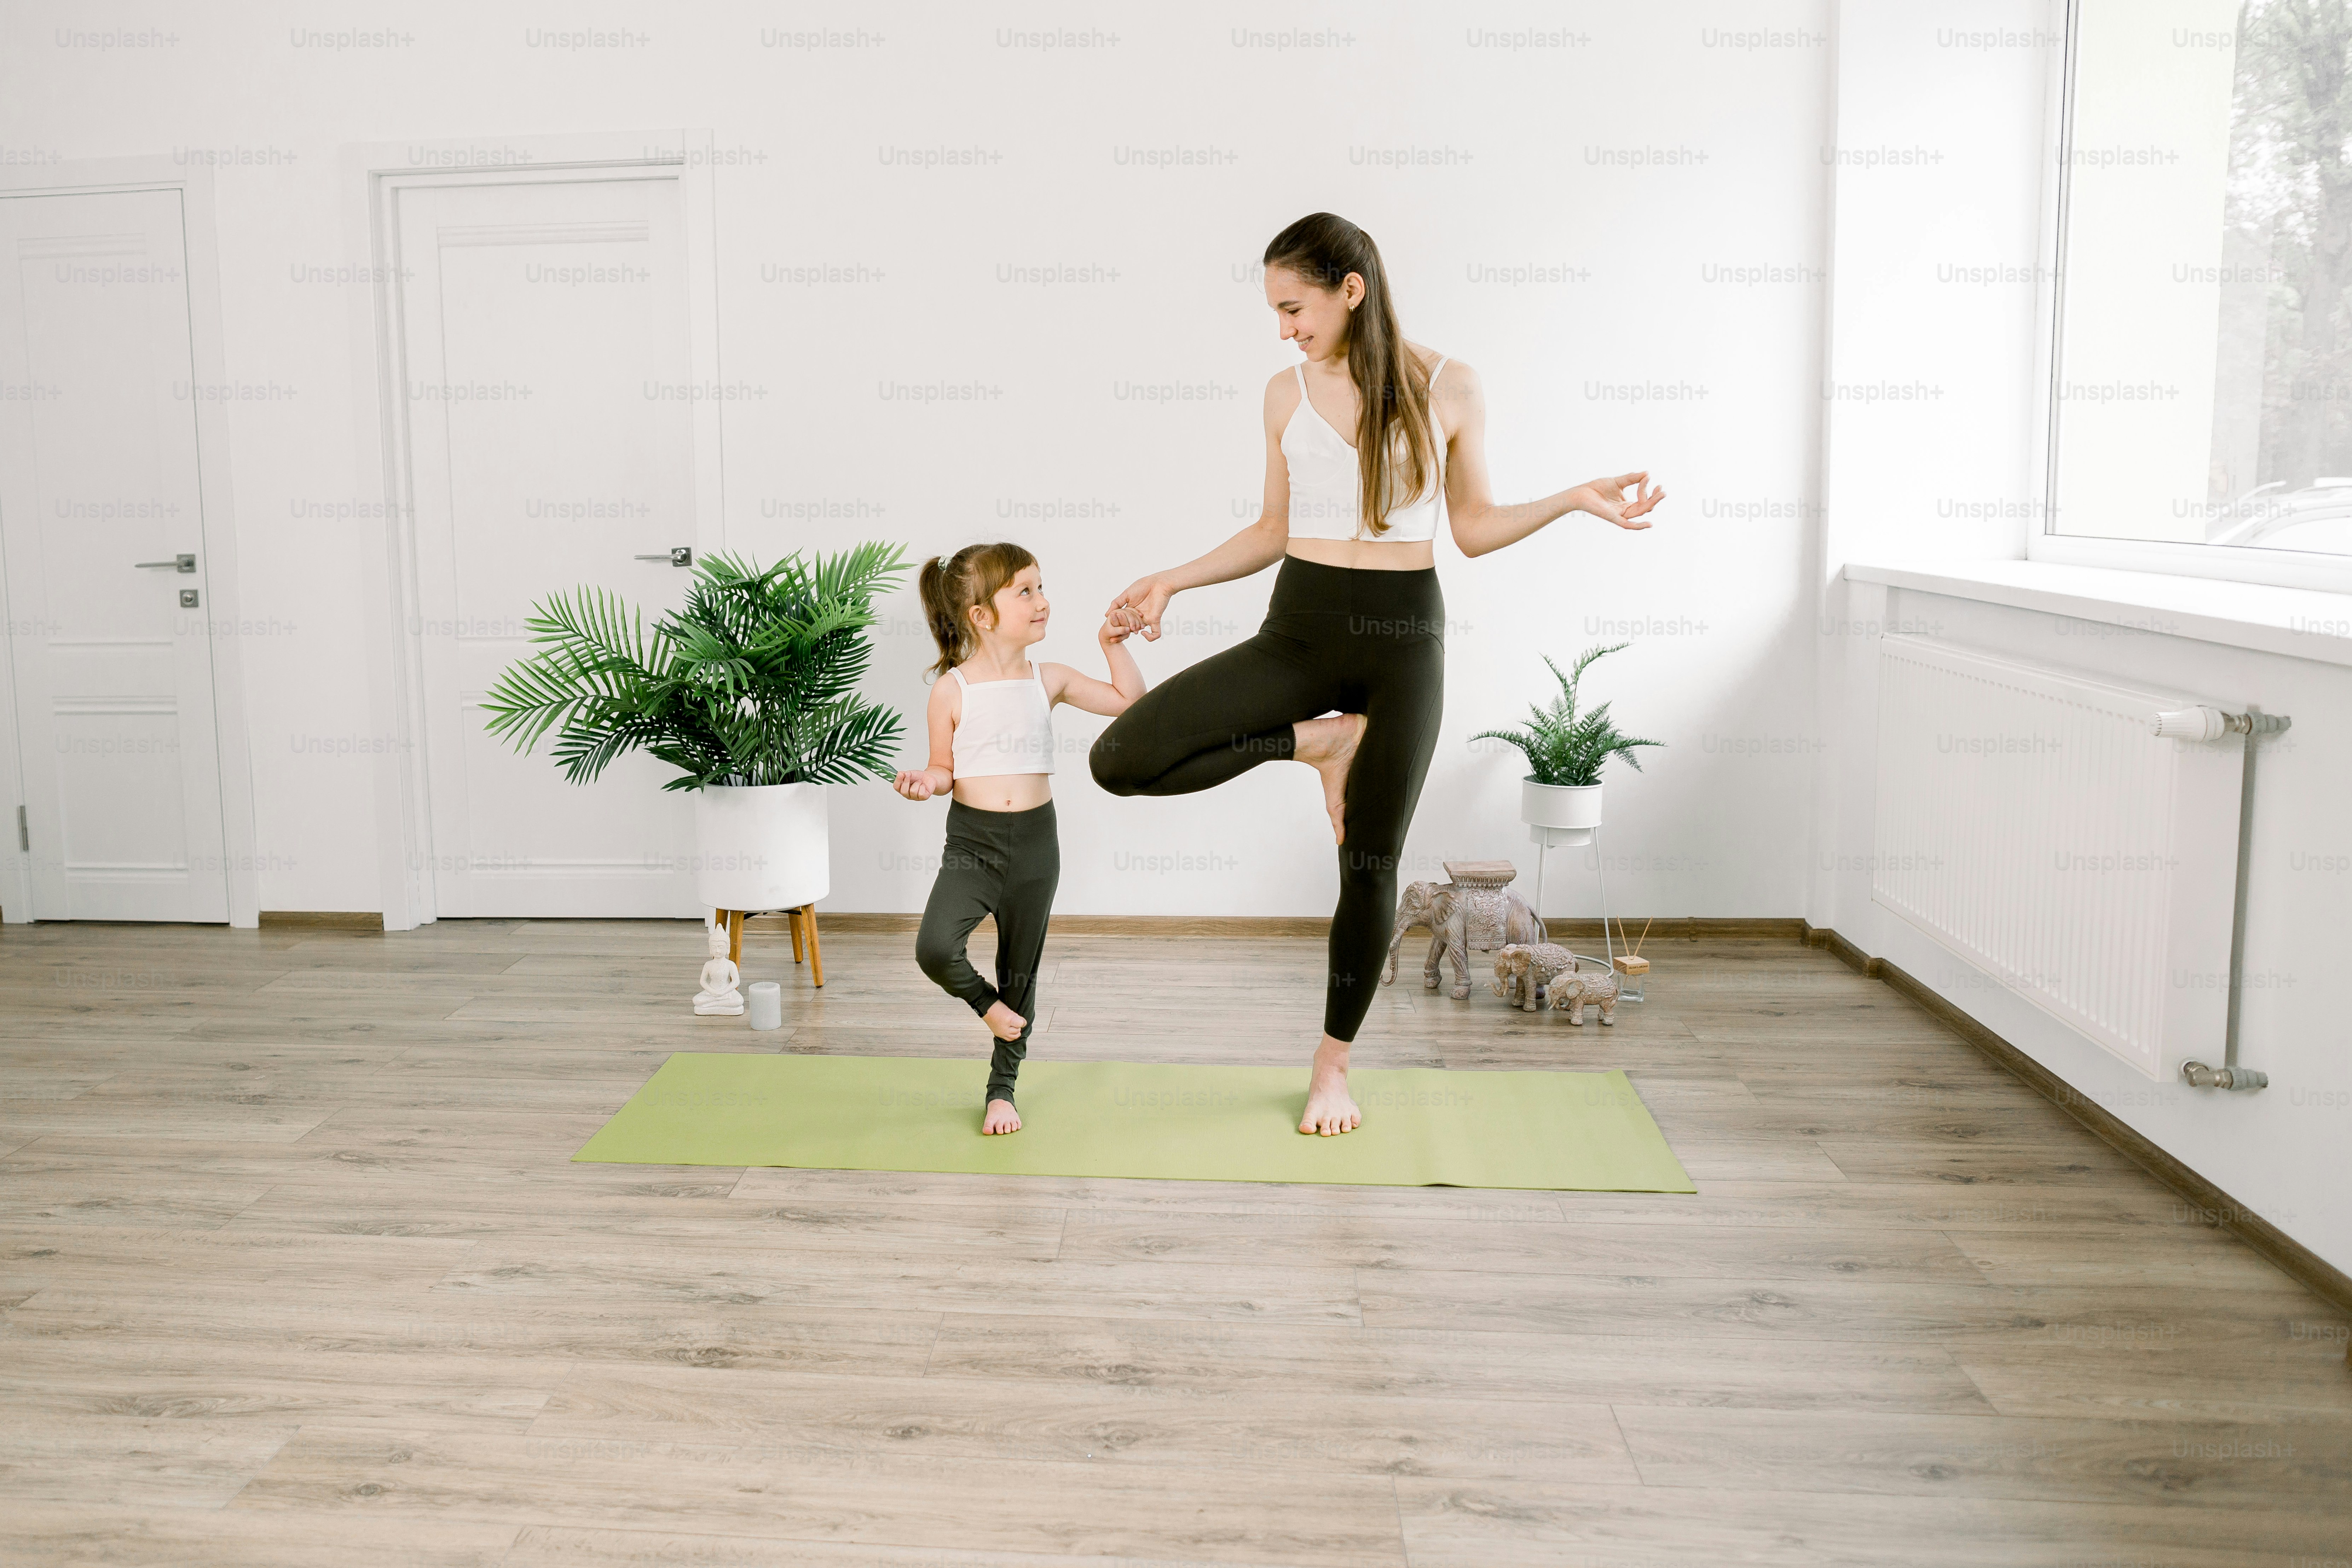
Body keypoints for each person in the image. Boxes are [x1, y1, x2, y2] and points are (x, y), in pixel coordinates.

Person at [1090, 212, 1664, 1137]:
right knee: (1120, 758)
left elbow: (1471, 528)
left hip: (1403, 642)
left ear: (1349, 289)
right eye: (1276, 313)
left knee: (1368, 863)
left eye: (1294, 308)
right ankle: (1316, 744)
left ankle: (1332, 1069)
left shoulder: (1451, 385)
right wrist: (1173, 580)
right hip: (1299, 629)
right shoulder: (1283, 394)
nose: (1285, 329)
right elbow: (1272, 529)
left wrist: (1569, 500)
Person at [895, 543, 1146, 1134]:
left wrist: (1112, 645)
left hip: (1036, 847)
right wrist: (924, 781)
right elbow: (943, 769)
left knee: (1021, 974)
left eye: (1041, 587)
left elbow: (1129, 702)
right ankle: (987, 1005)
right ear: (981, 615)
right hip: (972, 847)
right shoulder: (951, 689)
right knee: (935, 947)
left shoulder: (1048, 678)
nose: (1042, 602)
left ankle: (1001, 1090)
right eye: (1025, 591)